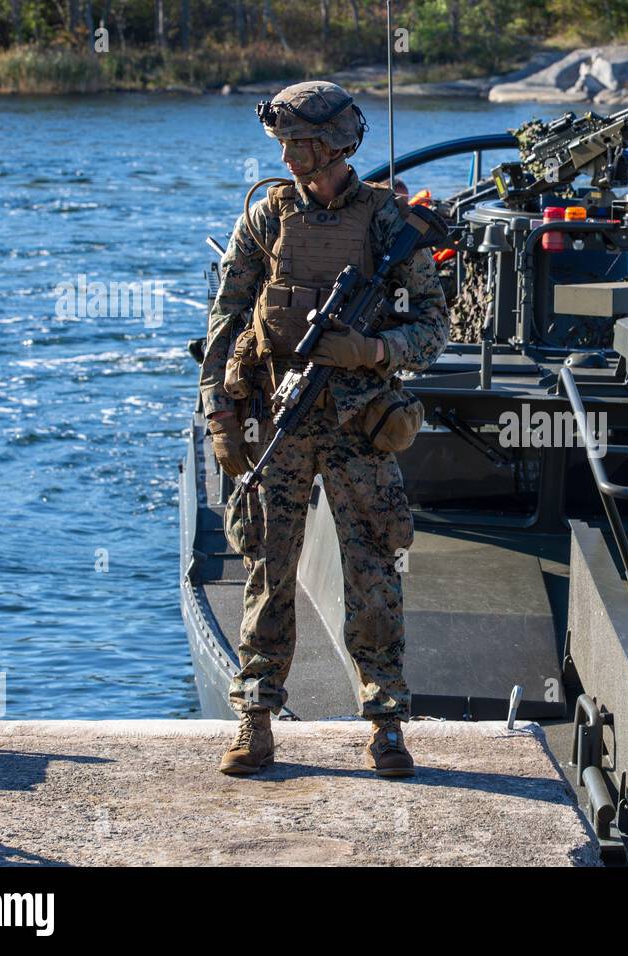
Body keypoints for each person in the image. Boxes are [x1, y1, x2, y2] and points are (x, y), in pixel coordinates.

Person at [198, 81, 447, 777]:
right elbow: (224, 321)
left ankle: (387, 722)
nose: (287, 153)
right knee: (266, 568)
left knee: (373, 570)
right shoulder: (267, 218)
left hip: (359, 423)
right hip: (279, 411)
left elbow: (434, 327)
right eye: (283, 141)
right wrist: (222, 410)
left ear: (336, 144)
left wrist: (370, 351)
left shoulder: (388, 225)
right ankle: (255, 715)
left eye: (299, 142)